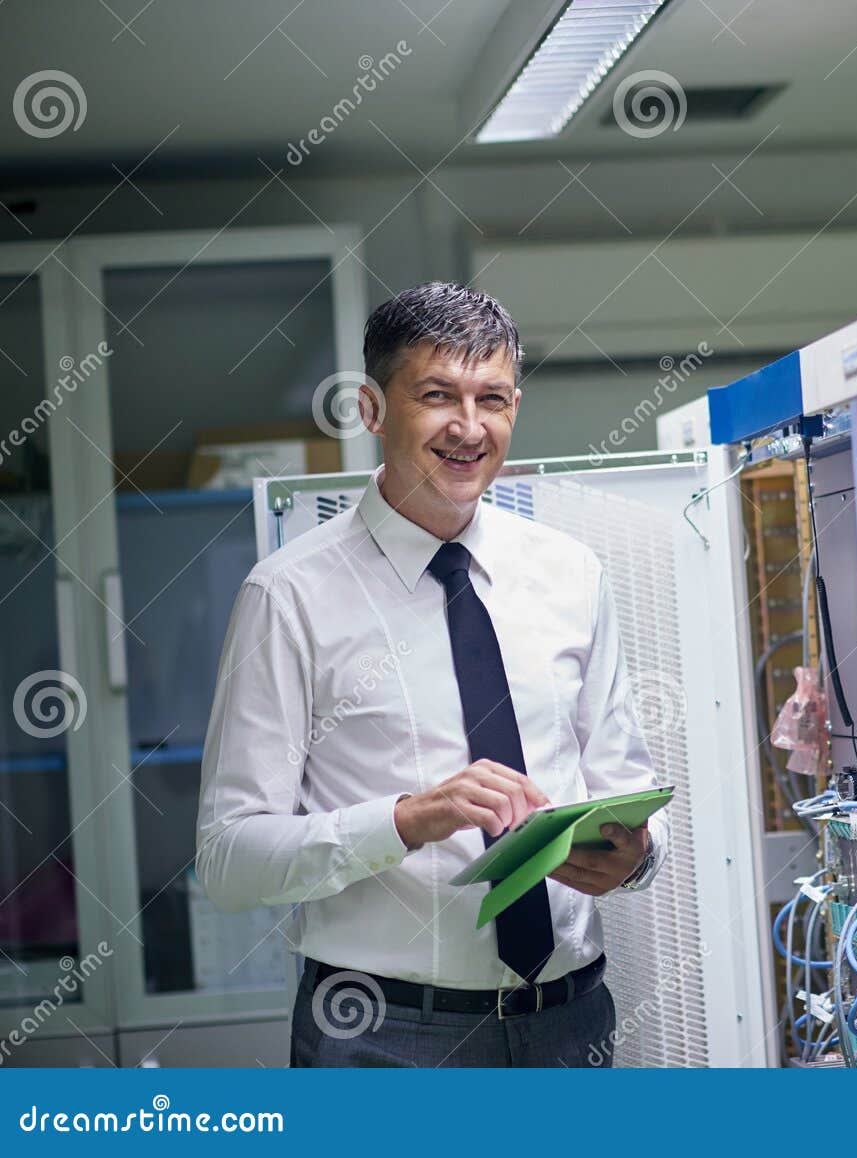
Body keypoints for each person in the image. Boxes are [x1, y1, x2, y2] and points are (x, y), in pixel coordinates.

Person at [195, 282, 666, 1067]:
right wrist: (409, 819)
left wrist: (638, 855)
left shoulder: (570, 574)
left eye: (494, 399)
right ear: (374, 410)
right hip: (383, 1037)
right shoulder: (288, 596)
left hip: (568, 1024)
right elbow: (230, 860)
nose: (470, 428)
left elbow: (627, 780)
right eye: (438, 395)